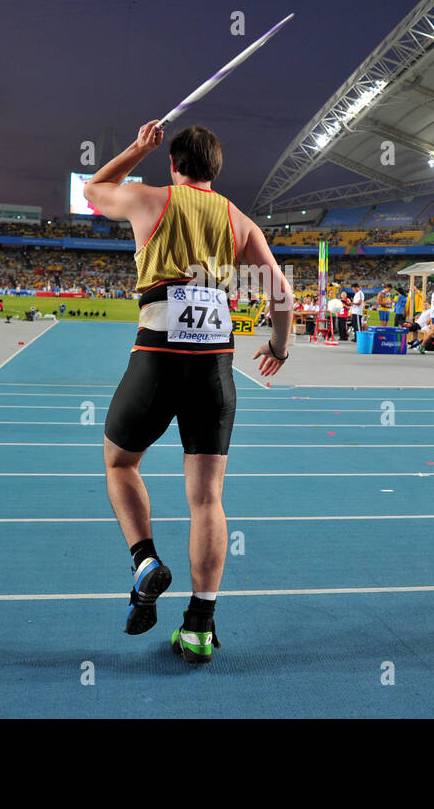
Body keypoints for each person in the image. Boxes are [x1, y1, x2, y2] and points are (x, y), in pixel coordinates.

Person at [82, 121, 293, 666]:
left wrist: (134, 148)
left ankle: (146, 560)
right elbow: (282, 292)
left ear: (173, 165)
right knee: (207, 499)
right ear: (216, 170)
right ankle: (200, 625)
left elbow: (91, 190)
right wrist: (279, 347)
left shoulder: (148, 199)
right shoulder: (238, 220)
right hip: (214, 367)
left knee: (120, 463)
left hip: (156, 356)